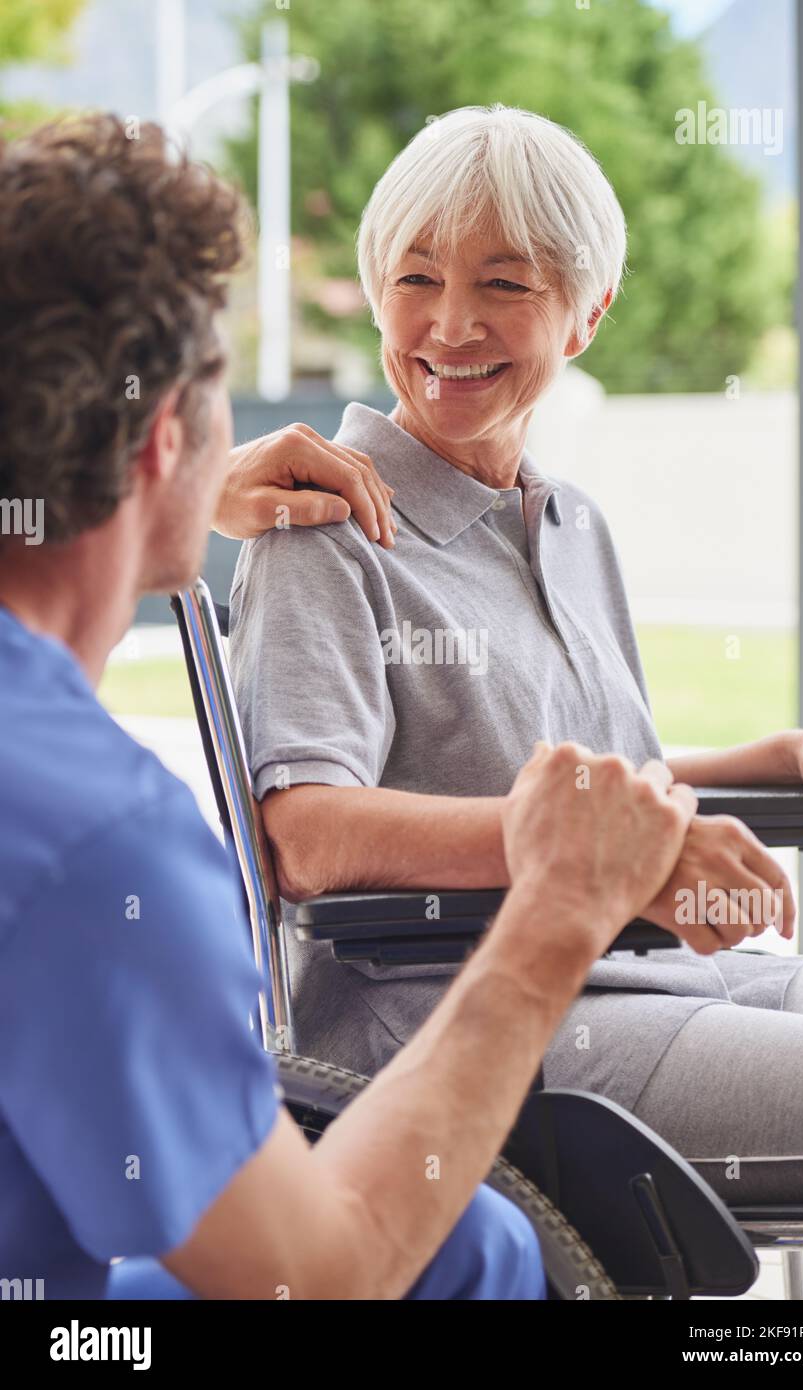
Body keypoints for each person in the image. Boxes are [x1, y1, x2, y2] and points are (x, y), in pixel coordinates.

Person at [0, 112, 699, 1301]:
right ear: (167, 431)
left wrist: (164, 498)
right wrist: (554, 912)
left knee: (473, 1240)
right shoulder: (99, 843)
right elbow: (307, 1276)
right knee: (459, 1254)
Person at [230, 103, 803, 1208]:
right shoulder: (322, 523)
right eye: (416, 277)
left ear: (586, 315)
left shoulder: (568, 522)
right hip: (456, 1023)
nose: (449, 325)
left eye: (506, 285)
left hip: (656, 976)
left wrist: (781, 754)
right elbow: (303, 835)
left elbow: (591, 778)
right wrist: (603, 860)